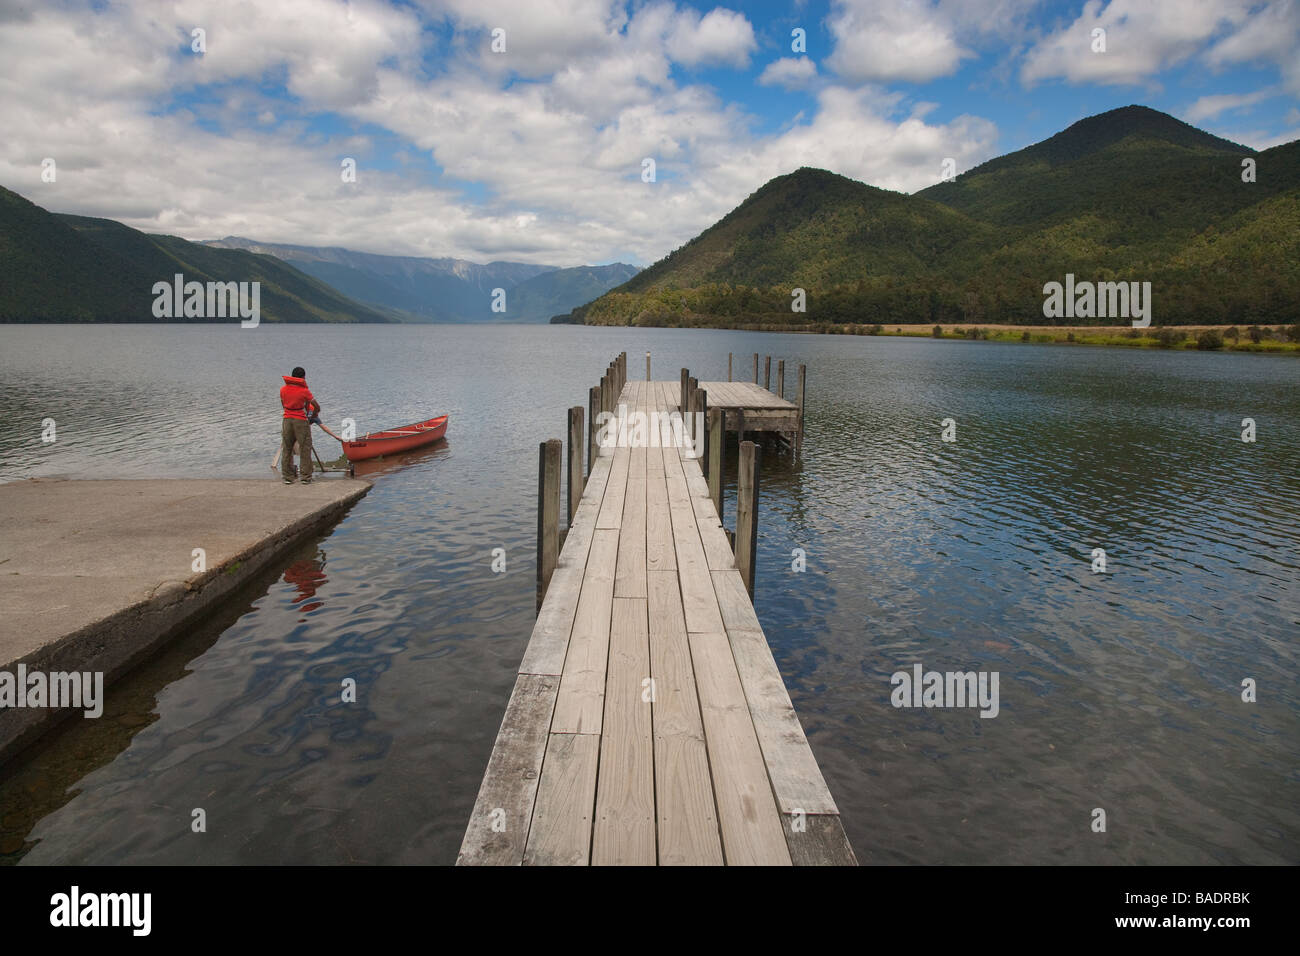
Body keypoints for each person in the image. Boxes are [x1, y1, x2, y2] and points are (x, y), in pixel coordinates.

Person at [279, 367, 321, 484]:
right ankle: (305, 477)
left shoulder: (283, 389)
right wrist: (314, 414)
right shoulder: (304, 391)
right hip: (300, 420)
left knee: (287, 448)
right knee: (305, 448)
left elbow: (283, 404)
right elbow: (315, 405)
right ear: (303, 377)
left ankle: (287, 477)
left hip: (286, 419)